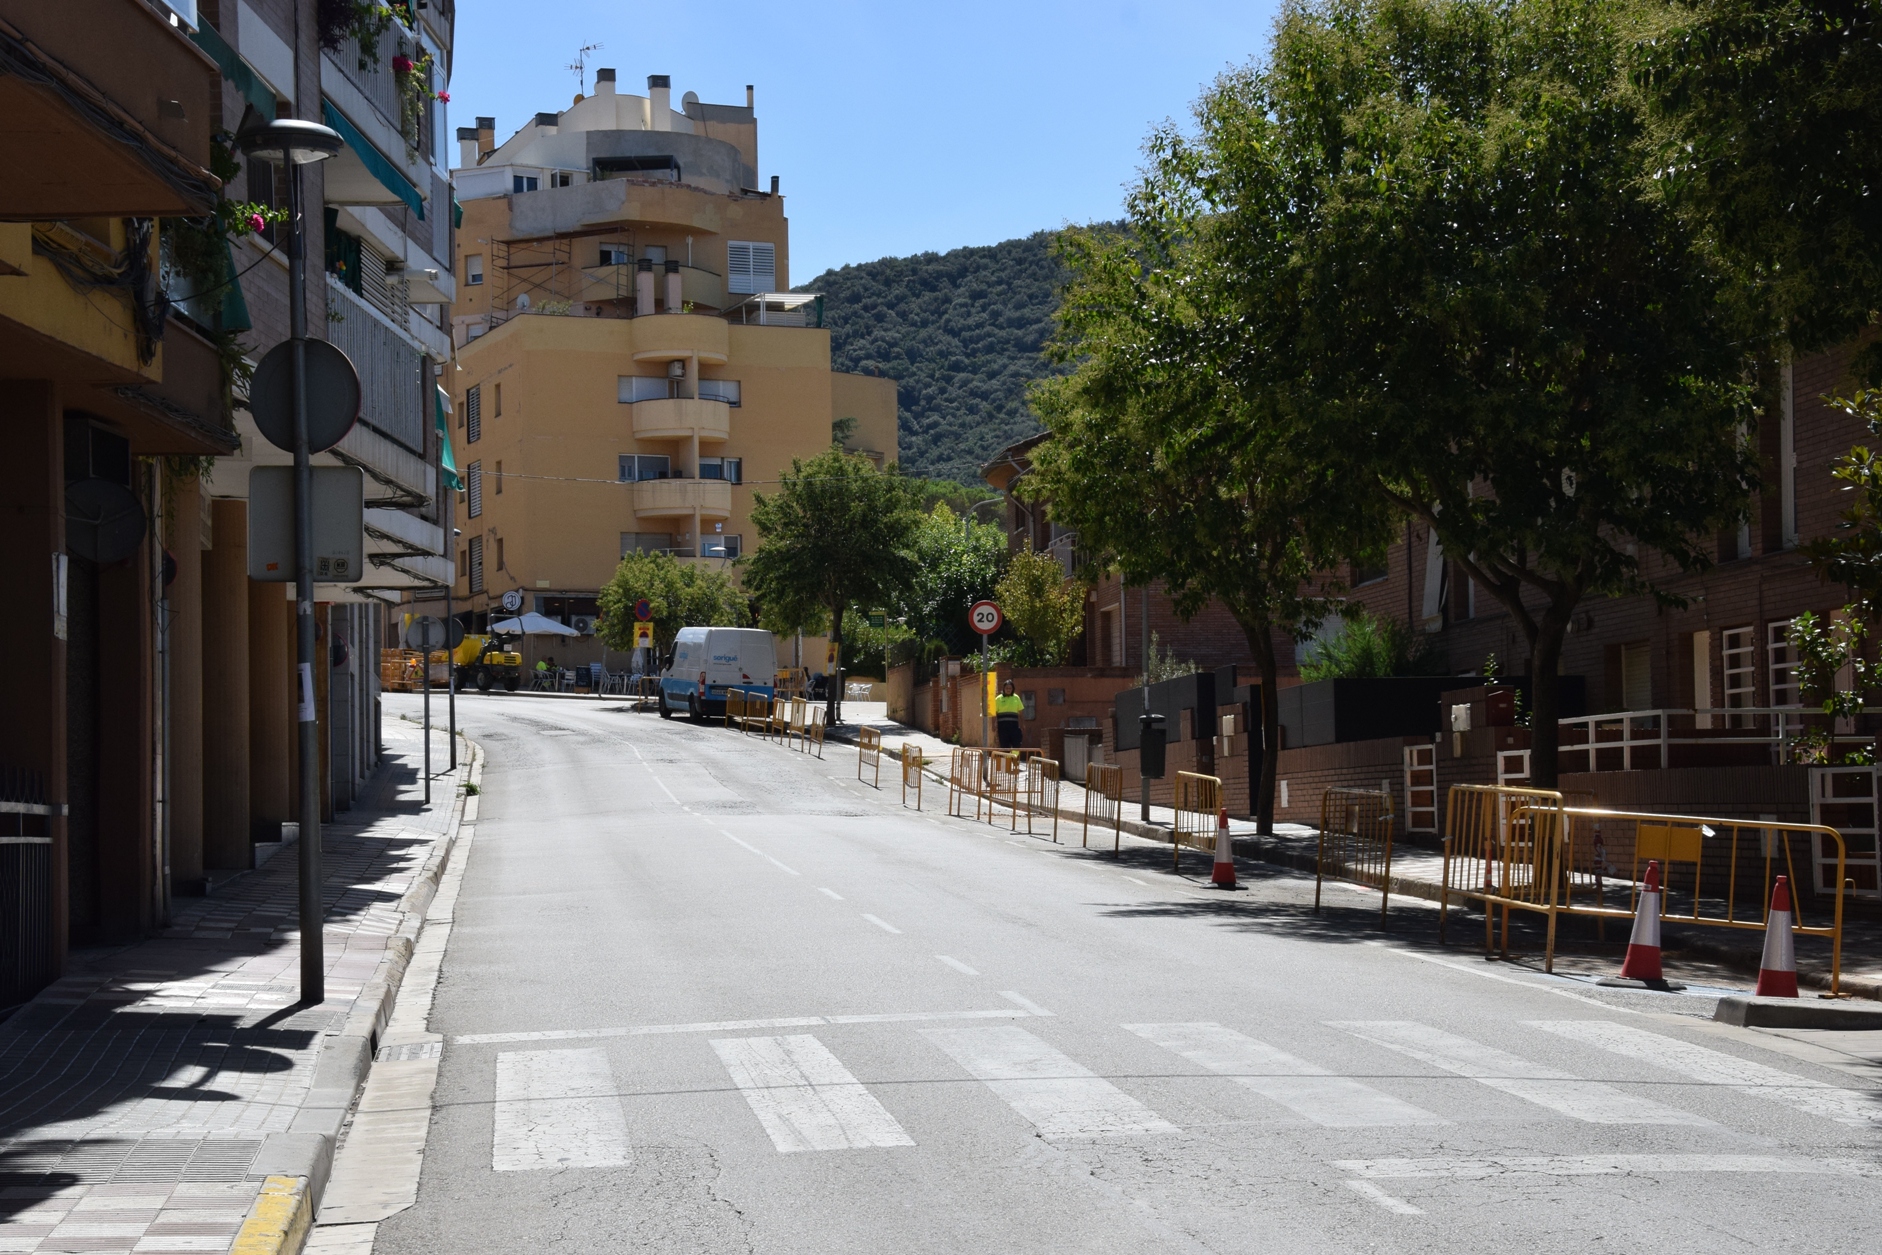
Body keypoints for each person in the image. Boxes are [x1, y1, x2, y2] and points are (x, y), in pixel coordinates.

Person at [993, 679, 1025, 749]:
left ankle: (1014, 759)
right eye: (1006, 688)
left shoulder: (1016, 698)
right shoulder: (998, 699)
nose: (1008, 690)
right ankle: (1007, 760)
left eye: (1010, 688)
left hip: (1014, 727)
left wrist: (1022, 724)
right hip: (1003, 727)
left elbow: (1020, 712)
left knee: (1016, 745)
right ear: (1003, 689)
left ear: (1012, 689)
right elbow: (995, 713)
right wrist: (994, 725)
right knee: (1004, 747)